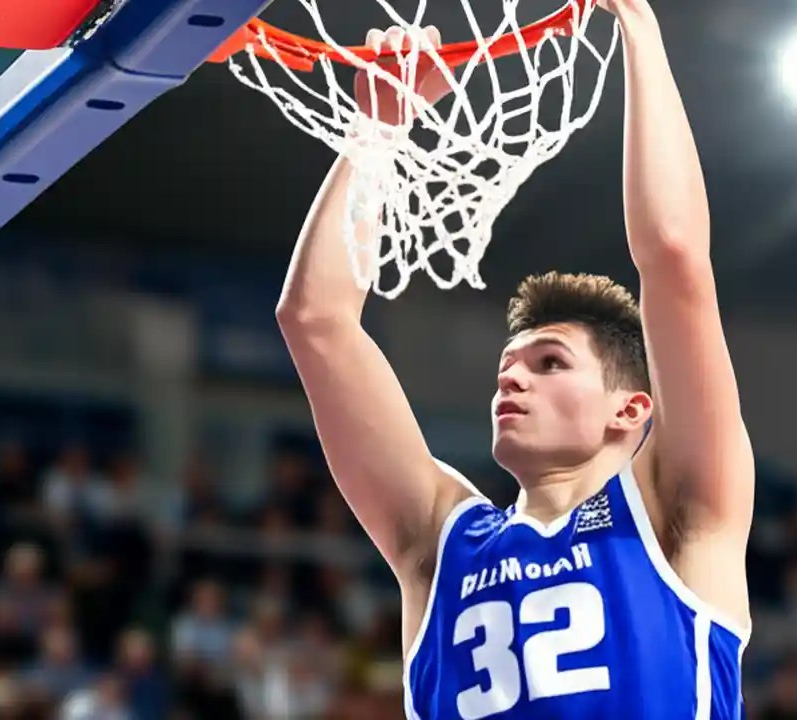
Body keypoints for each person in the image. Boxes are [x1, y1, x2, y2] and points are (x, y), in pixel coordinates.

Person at [275, 0, 754, 716]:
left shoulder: (672, 512)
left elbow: (677, 257)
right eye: (512, 362)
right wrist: (378, 129)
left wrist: (638, 26)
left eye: (550, 362)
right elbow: (315, 320)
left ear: (630, 409)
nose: (513, 374)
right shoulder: (445, 540)